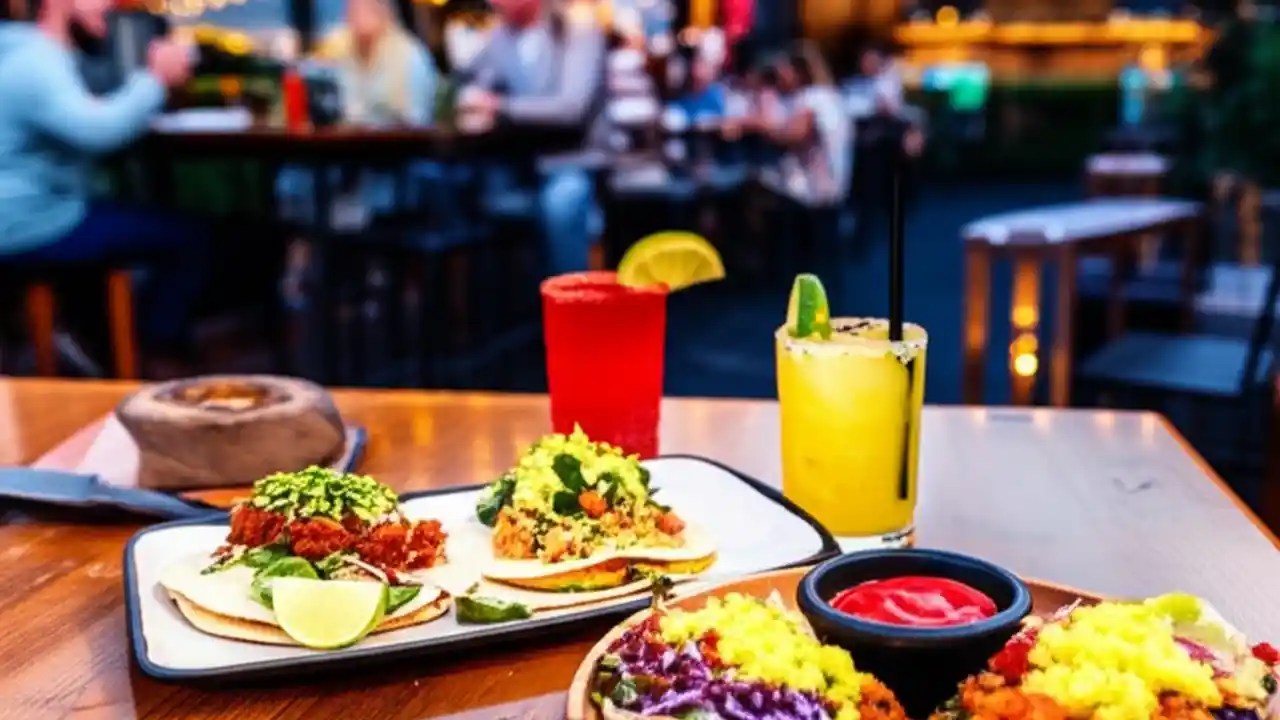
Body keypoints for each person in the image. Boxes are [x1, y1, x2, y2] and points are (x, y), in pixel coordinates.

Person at [0, 0, 207, 366]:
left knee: (135, 223)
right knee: (193, 238)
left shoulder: (24, 52)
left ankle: (110, 349)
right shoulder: (35, 59)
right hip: (30, 225)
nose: (110, 4)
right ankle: (151, 356)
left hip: (27, 217)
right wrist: (156, 79)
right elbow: (98, 130)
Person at [455, 0, 606, 276]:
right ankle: (491, 314)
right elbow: (469, 85)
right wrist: (472, 97)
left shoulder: (576, 29)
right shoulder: (499, 37)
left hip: (569, 160)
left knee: (562, 202)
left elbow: (571, 108)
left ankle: (571, 304)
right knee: (454, 188)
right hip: (517, 162)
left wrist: (499, 107)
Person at [333, 0, 436, 127]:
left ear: (383, 10)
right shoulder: (346, 56)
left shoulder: (410, 55)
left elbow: (418, 119)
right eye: (353, 11)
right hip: (355, 143)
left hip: (403, 142)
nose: (357, 17)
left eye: (366, 8)